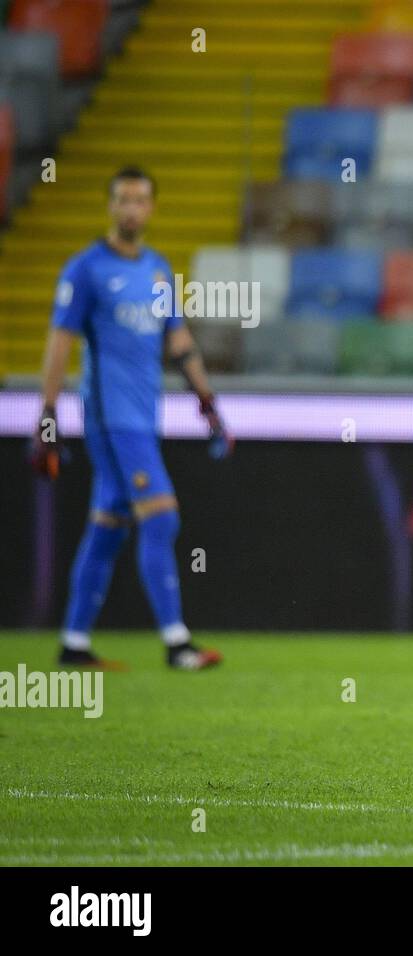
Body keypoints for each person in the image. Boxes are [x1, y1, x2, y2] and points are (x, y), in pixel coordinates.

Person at [29, 166, 230, 671]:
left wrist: (207, 401)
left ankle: (74, 644)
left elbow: (178, 341)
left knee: (109, 527)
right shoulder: (86, 270)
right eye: (122, 199)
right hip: (111, 417)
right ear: (110, 206)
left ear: (152, 209)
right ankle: (176, 643)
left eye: (140, 200)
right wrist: (47, 417)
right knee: (161, 516)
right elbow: (60, 344)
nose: (131, 209)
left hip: (145, 415)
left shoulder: (158, 270)